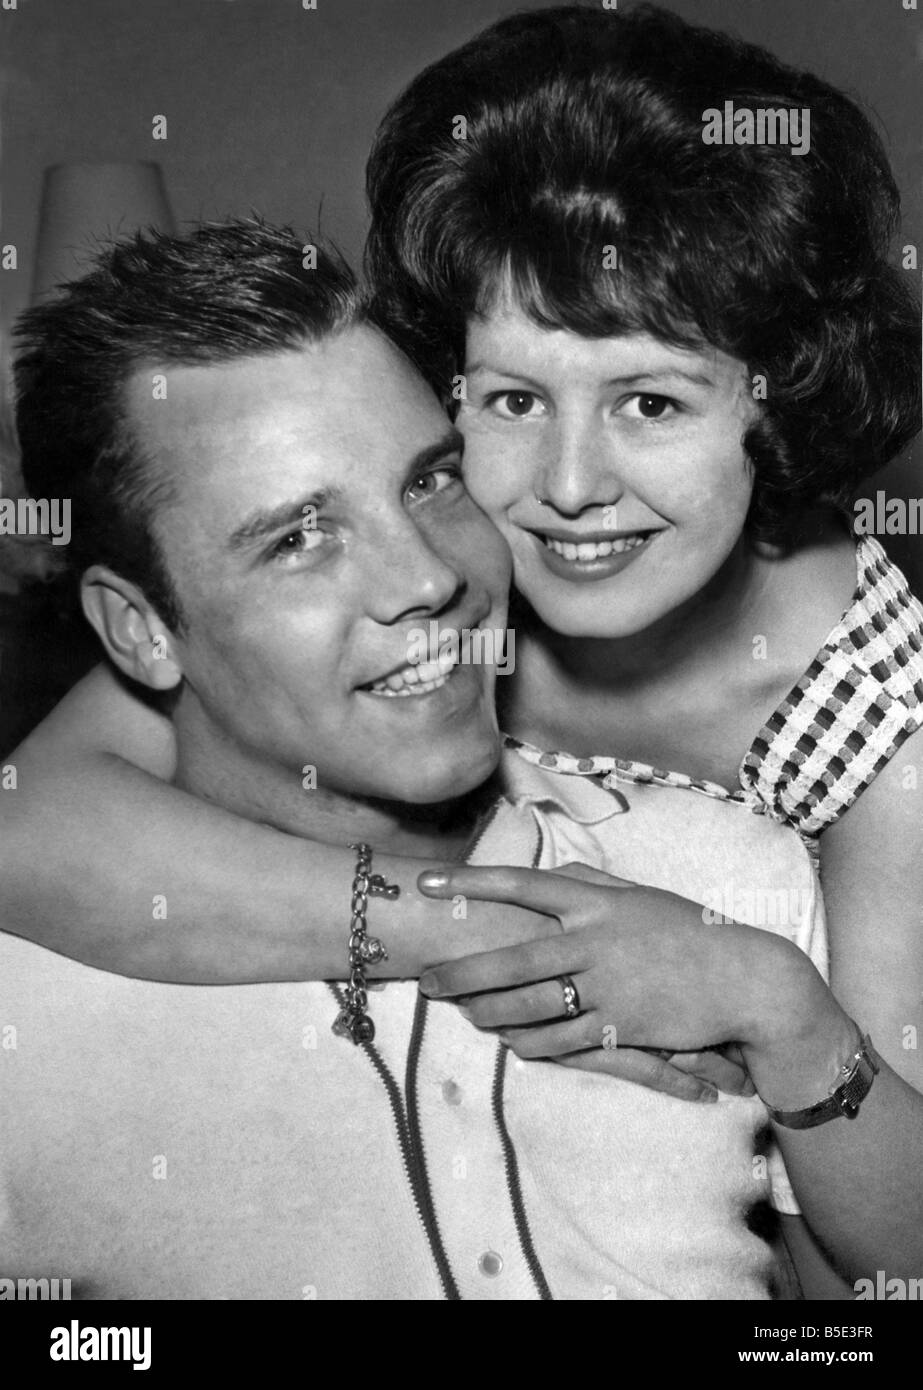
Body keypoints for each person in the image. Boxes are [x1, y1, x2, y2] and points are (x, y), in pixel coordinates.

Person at [3, 5, 921, 1293]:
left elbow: (879, 1256)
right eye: (509, 400)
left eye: (651, 402)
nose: (565, 486)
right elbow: (28, 831)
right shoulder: (455, 549)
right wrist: (488, 940)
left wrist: (765, 1000)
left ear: (779, 401)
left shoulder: (877, 720)